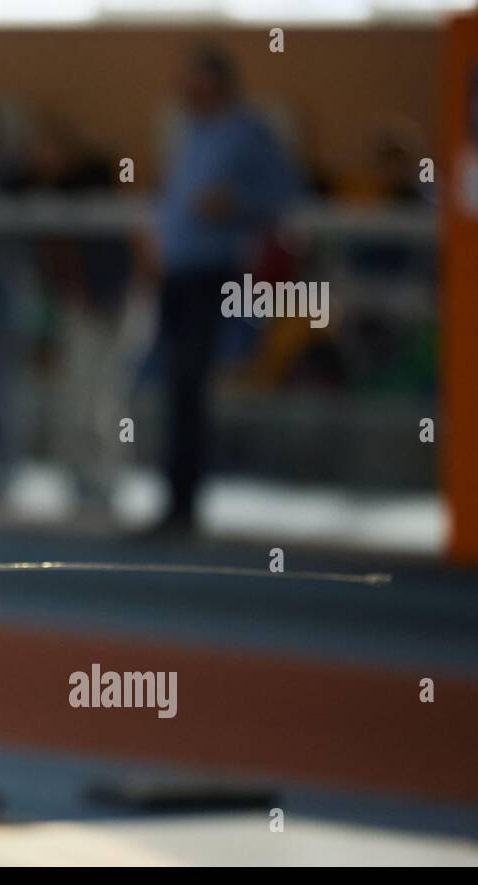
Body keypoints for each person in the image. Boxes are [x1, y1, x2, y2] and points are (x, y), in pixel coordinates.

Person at [148, 47, 299, 534]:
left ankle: (184, 506)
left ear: (220, 87)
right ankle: (172, 500)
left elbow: (284, 194)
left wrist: (235, 205)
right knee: (171, 385)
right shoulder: (188, 132)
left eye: (198, 86)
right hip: (174, 273)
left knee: (190, 385)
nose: (187, 94)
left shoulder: (247, 133)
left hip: (213, 274)